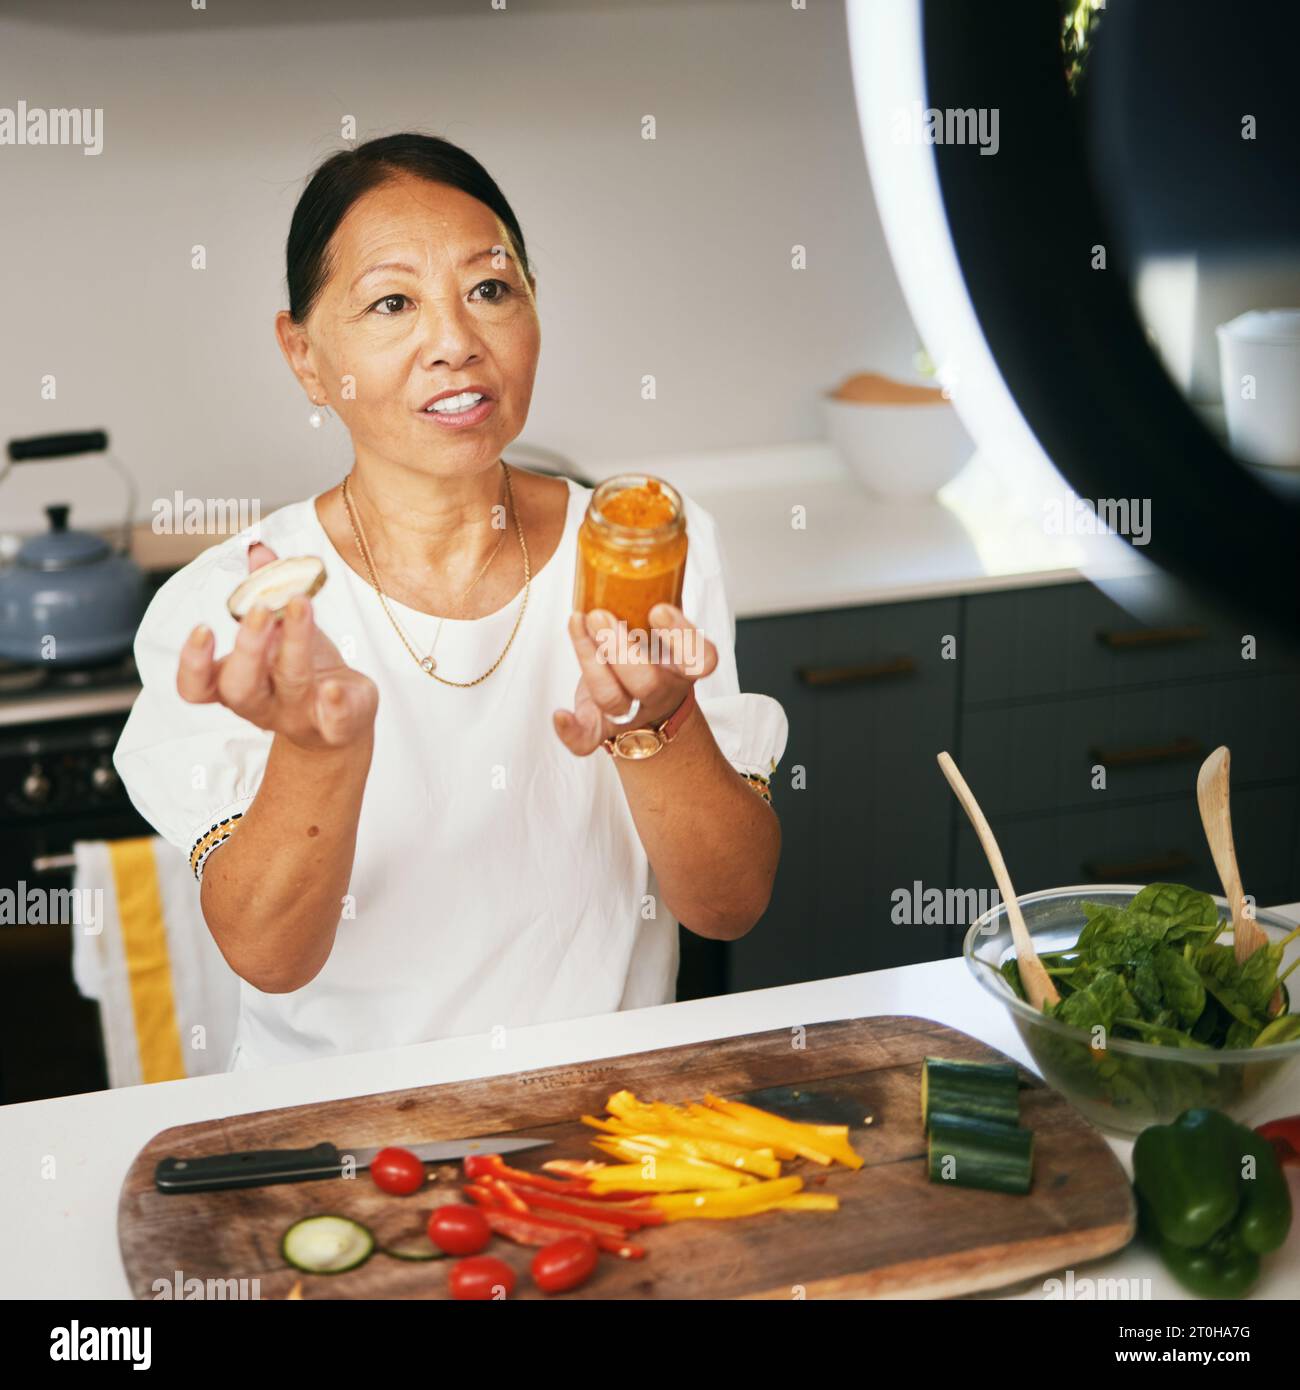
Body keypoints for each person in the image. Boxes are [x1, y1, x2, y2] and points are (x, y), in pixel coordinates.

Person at [113, 132, 788, 1071]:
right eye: (393, 303)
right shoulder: (236, 608)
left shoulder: (644, 551)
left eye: (491, 290)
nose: (457, 343)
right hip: (348, 1131)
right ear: (305, 356)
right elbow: (269, 955)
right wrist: (318, 752)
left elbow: (728, 906)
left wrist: (658, 723)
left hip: (600, 1119)